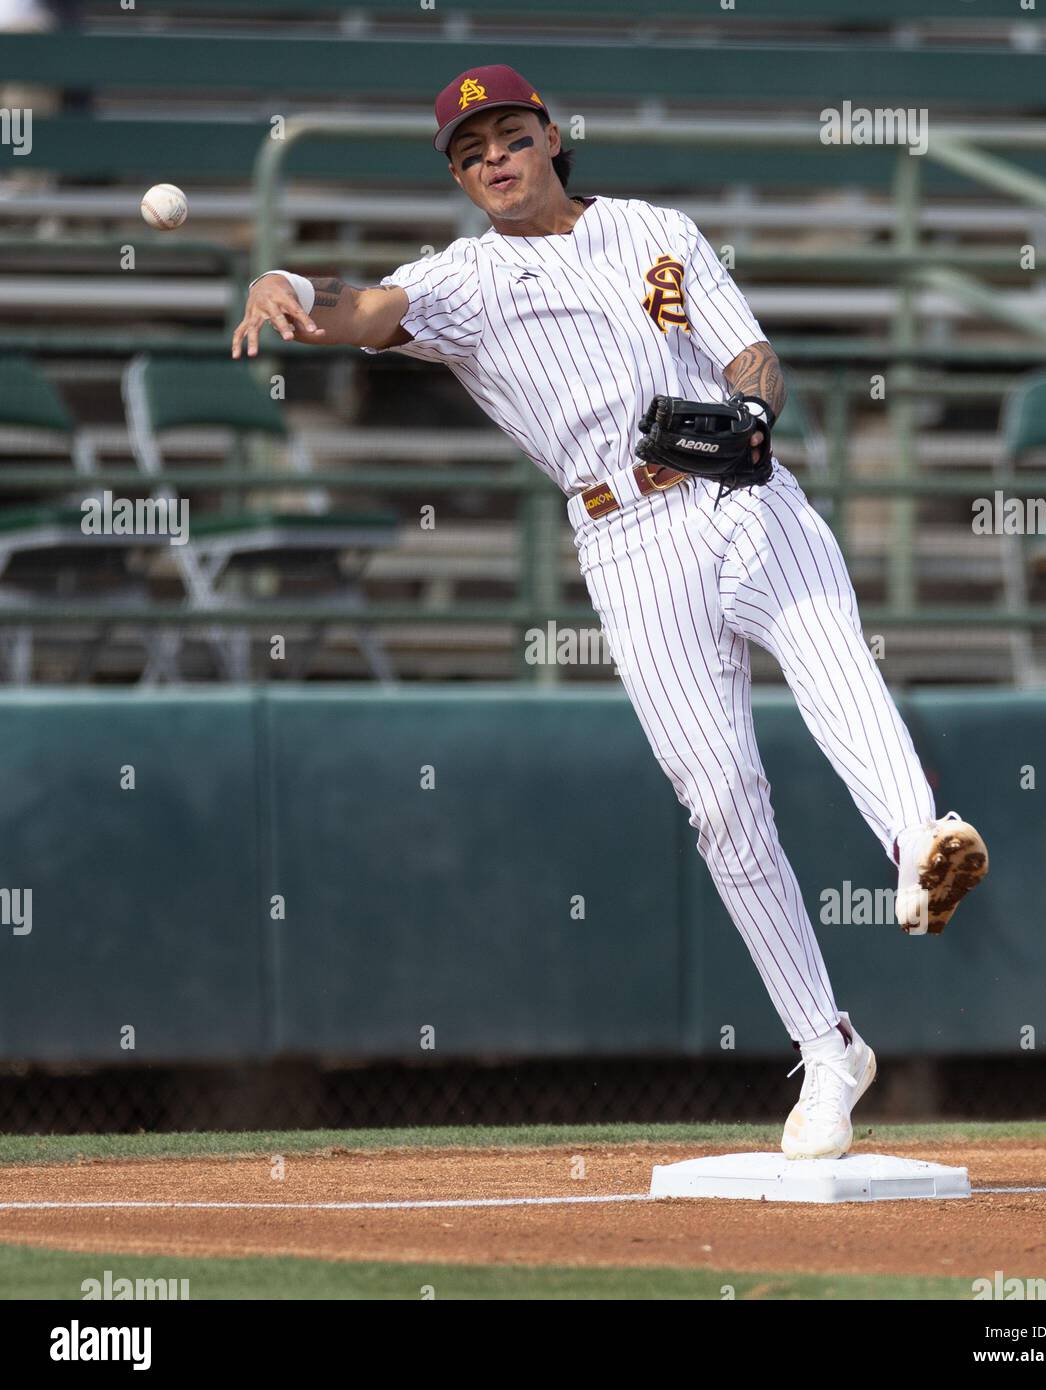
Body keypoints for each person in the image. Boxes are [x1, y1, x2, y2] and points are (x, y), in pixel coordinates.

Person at [232, 63, 989, 1160]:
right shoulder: (465, 280)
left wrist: (746, 412)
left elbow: (752, 356)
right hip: (621, 540)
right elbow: (365, 307)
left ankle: (919, 839)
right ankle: (828, 1050)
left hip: (735, 486)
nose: (491, 156)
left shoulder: (651, 228)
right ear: (459, 174)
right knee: (722, 799)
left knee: (829, 650)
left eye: (507, 133)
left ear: (550, 137)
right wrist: (286, 279)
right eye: (468, 148)